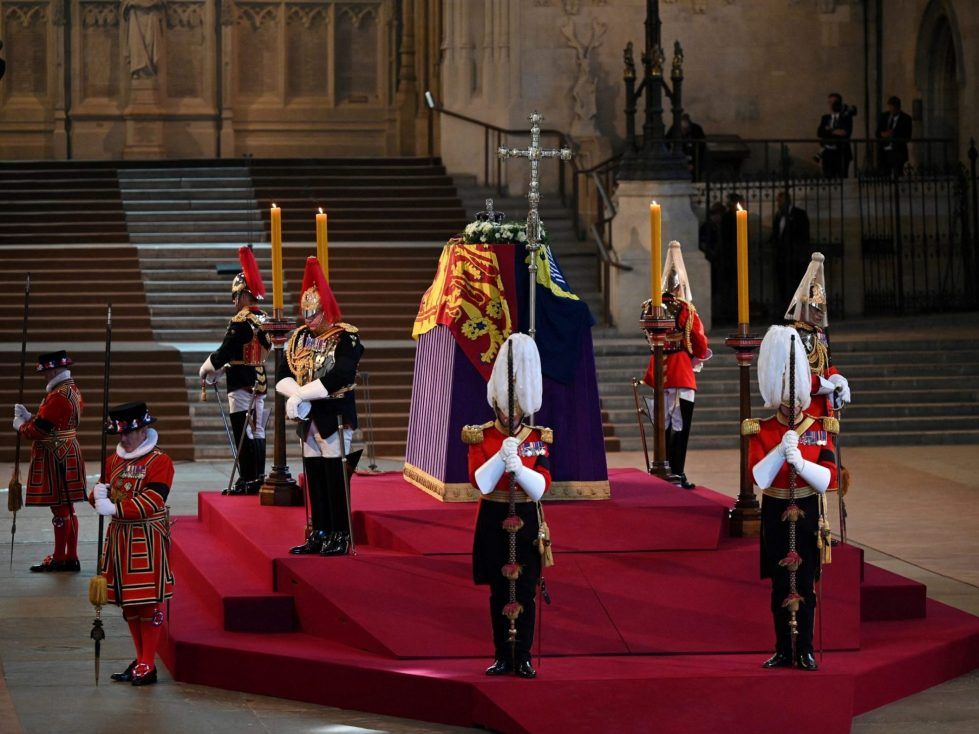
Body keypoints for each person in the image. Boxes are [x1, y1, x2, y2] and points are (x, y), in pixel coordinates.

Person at [745, 325, 839, 671]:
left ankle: (806, 649)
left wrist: (800, 461)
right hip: (776, 506)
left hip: (809, 507)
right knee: (780, 583)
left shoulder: (819, 426)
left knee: (808, 583)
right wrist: (779, 454)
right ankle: (784, 648)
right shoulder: (763, 427)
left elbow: (828, 478)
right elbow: (757, 476)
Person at [464, 333, 551, 679]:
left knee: (526, 588)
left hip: (526, 516)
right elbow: (479, 482)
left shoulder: (537, 437)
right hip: (493, 514)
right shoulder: (480, 435)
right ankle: (502, 654)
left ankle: (524, 655)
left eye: (515, 409)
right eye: (505, 408)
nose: (510, 414)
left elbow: (542, 486)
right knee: (499, 591)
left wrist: (521, 470)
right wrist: (502, 458)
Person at [277, 256, 363, 557]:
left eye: (313, 315)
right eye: (305, 314)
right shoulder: (299, 337)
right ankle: (319, 531)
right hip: (309, 418)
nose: (308, 321)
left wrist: (303, 395)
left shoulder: (345, 337)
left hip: (335, 414)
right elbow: (282, 372)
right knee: (313, 477)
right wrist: (294, 394)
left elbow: (341, 374)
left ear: (325, 311)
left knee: (334, 478)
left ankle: (340, 533)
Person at [91, 401, 175, 686]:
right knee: (129, 604)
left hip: (145, 539)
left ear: (144, 430)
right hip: (119, 538)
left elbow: (154, 500)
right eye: (120, 434)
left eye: (129, 432)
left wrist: (113, 508)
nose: (123, 438)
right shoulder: (113, 461)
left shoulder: (159, 461)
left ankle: (148, 663)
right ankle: (140, 658)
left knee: (148, 603)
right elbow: (104, 496)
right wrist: (96, 495)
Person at [199, 246, 271, 495]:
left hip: (241, 381)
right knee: (257, 429)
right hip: (259, 379)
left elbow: (226, 351)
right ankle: (257, 476)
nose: (234, 301)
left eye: (235, 296)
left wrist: (208, 367)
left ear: (242, 295)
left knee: (243, 430)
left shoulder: (241, 320)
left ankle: (248, 479)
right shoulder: (264, 318)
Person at [640, 241, 712, 488]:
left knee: (662, 424)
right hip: (681, 369)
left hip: (659, 368)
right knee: (680, 425)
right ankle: (677, 473)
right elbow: (699, 342)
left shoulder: (650, 306)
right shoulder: (685, 308)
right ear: (680, 285)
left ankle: (662, 466)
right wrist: (696, 355)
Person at [13, 350, 86, 572]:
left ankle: (61, 558)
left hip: (56, 455)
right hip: (65, 450)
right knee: (66, 508)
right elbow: (52, 422)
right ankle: (69, 556)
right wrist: (29, 417)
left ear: (54, 370)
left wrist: (21, 425)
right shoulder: (69, 389)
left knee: (61, 510)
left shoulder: (58, 395)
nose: (44, 376)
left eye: (46, 372)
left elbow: (38, 431)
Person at [785, 253, 851, 418]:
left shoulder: (819, 333)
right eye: (816, 308)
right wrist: (825, 384)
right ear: (805, 307)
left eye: (822, 309)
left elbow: (826, 365)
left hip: (823, 407)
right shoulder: (792, 335)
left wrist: (837, 378)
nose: (821, 314)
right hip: (803, 410)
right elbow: (792, 378)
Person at [771, 191, 811, 306]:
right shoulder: (778, 216)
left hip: (795, 258)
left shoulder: (799, 214)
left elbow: (803, 235)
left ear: (787, 201)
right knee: (783, 286)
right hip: (781, 258)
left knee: (796, 285)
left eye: (780, 200)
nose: (778, 203)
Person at [816, 93, 853, 178]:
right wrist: (834, 131)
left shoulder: (846, 117)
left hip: (842, 153)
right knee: (828, 179)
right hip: (827, 153)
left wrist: (829, 130)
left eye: (833, 102)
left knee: (842, 179)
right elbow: (819, 132)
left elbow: (845, 133)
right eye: (829, 102)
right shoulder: (825, 117)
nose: (831, 105)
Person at [876, 95, 912, 177]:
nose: (891, 110)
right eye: (890, 107)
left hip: (898, 151)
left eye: (893, 108)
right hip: (884, 151)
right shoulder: (884, 116)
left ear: (898, 107)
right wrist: (883, 134)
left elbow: (908, 136)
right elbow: (877, 132)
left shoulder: (906, 119)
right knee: (884, 174)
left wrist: (894, 134)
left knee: (898, 174)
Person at [667, 113, 707, 178]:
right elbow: (667, 142)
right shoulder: (674, 128)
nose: (683, 132)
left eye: (686, 129)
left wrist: (694, 164)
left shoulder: (697, 129)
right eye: (682, 129)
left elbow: (701, 149)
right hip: (679, 161)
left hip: (694, 160)